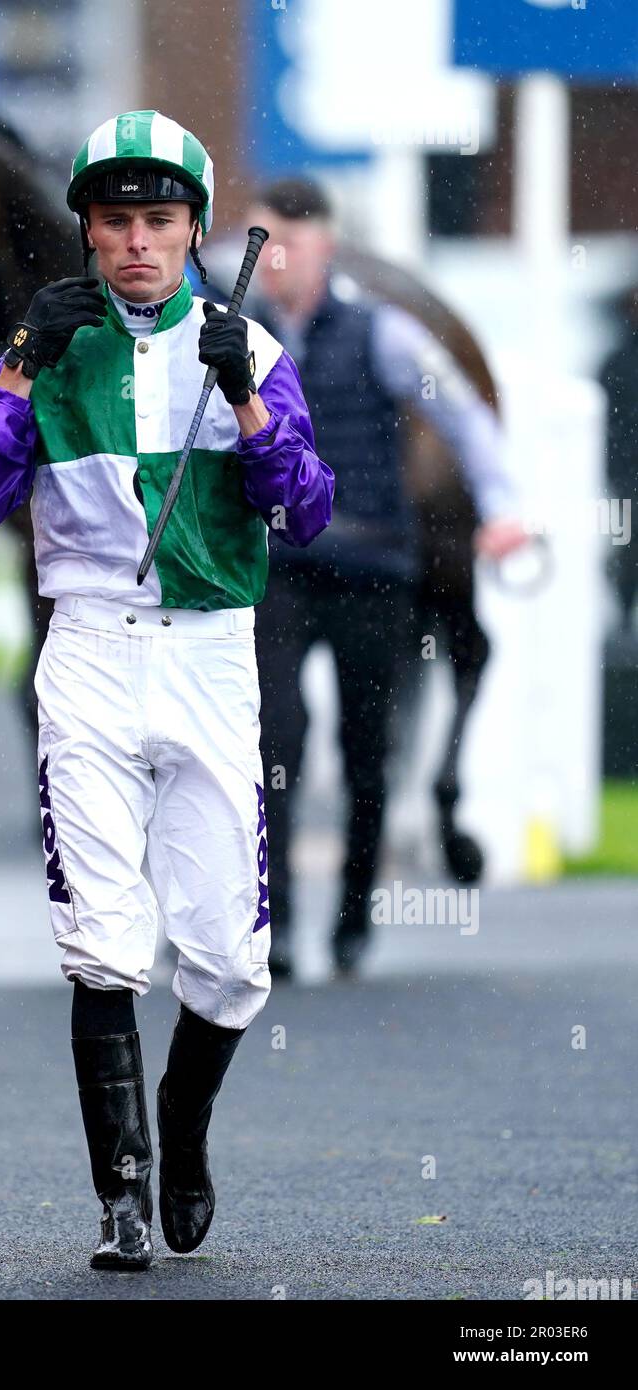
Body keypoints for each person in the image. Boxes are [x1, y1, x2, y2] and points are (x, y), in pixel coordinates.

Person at [0, 110, 334, 1270]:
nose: (136, 246)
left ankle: (186, 1118)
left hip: (212, 652)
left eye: (159, 222)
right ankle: (121, 1191)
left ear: (195, 228)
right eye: (115, 223)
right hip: (92, 652)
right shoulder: (46, 346)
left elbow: (304, 509)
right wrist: (15, 371)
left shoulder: (249, 351)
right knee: (101, 941)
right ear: (88, 233)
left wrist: (249, 406)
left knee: (229, 963)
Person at [241, 179, 528, 979]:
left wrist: (501, 506)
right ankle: (279, 925)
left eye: (288, 244)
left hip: (370, 567)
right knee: (273, 746)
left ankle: (352, 920)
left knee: (365, 751)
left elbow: (465, 417)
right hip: (280, 569)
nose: (274, 262)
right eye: (261, 244)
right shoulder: (238, 334)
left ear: (324, 246)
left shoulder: (384, 335)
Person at [599, 284, 638, 632]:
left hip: (625, 473)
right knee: (627, 543)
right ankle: (623, 618)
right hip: (628, 477)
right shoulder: (616, 362)